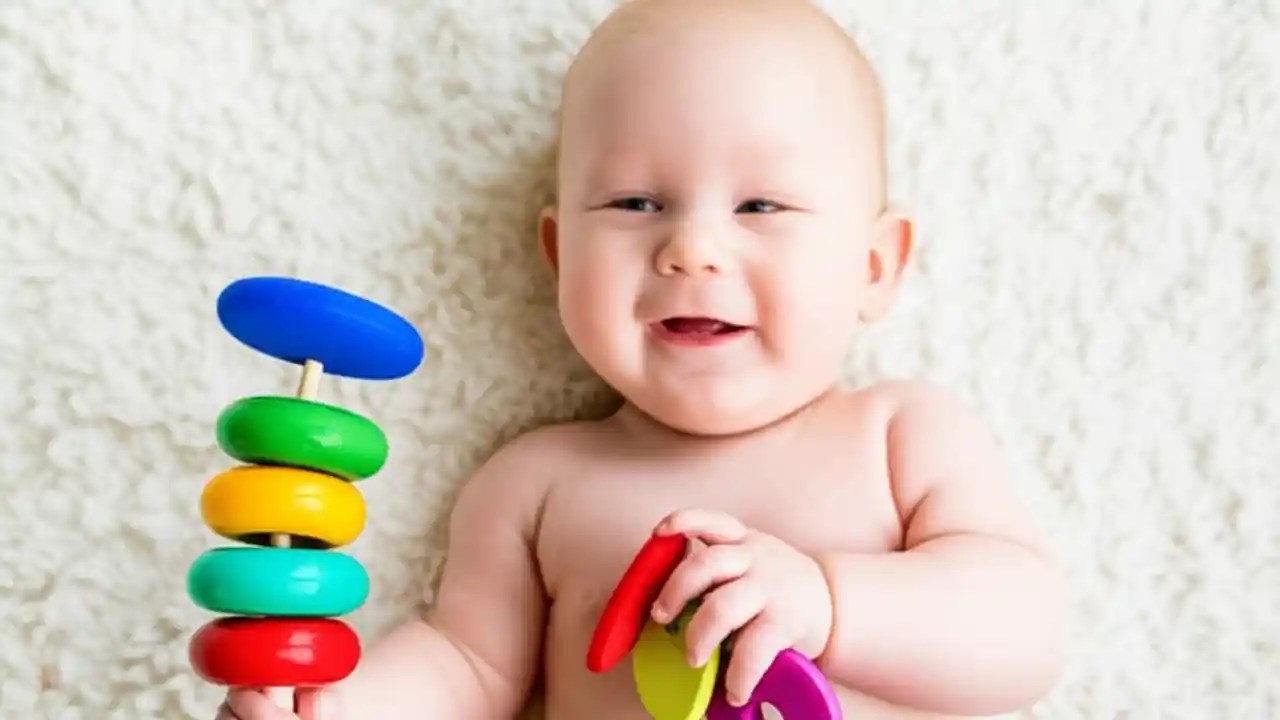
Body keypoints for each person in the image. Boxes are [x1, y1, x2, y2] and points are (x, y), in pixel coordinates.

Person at [218, 0, 1066, 717]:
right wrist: (337, 704)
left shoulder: (899, 435)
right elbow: (467, 667)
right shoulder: (536, 485)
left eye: (761, 204)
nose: (691, 249)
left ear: (874, 266)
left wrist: (832, 603)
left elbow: (1026, 634)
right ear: (558, 256)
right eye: (634, 202)